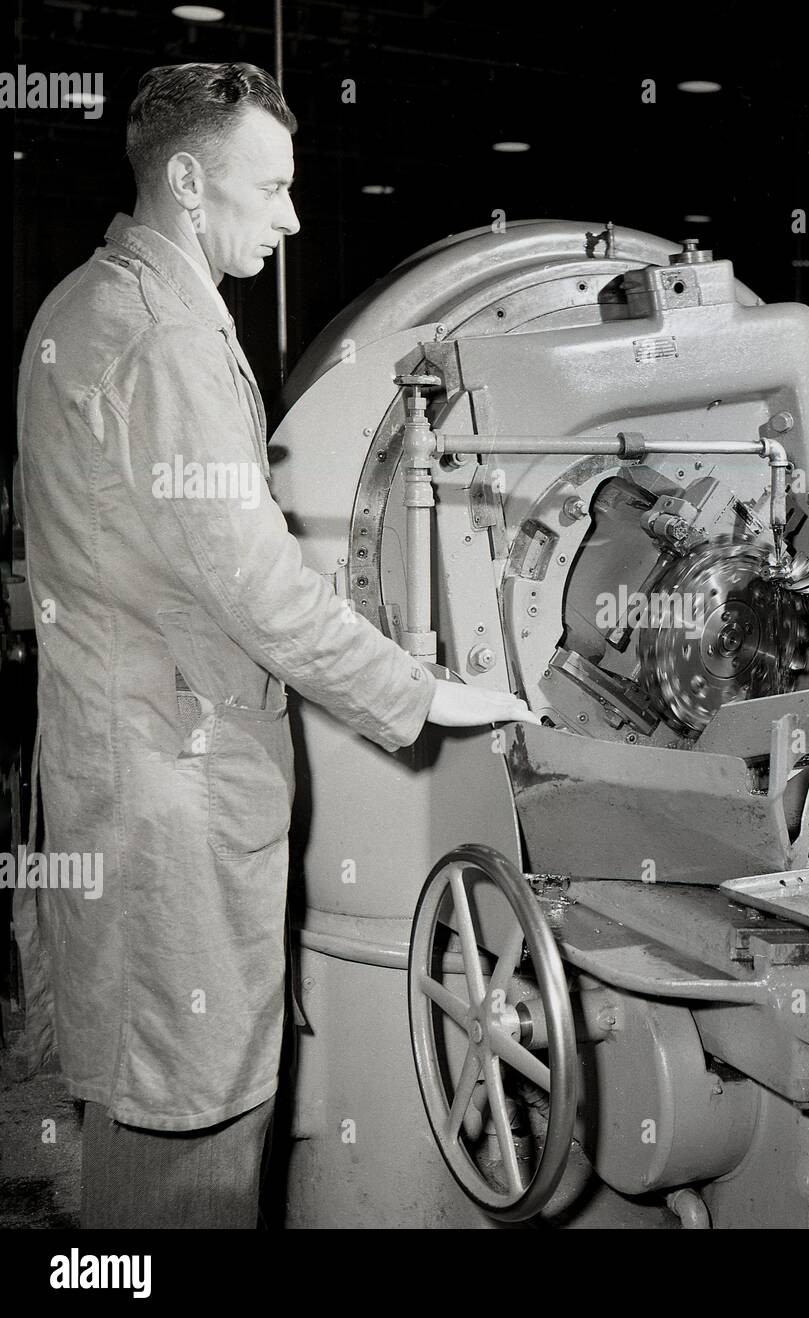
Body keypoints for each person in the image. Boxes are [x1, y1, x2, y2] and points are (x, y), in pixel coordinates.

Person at [15, 61, 537, 1228]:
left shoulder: (83, 307)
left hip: (123, 769)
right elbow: (255, 587)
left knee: (140, 1118)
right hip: (177, 799)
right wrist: (427, 694)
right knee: (195, 1130)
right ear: (191, 183)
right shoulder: (169, 344)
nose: (295, 217)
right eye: (275, 188)